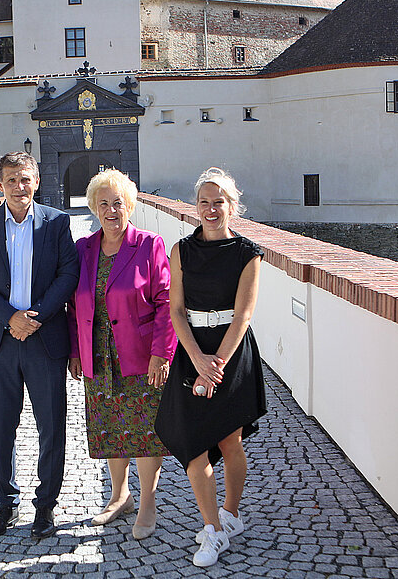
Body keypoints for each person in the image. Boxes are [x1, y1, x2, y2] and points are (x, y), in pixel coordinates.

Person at [154, 167, 267, 568]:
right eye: (204, 201)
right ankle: (212, 530)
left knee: (228, 440)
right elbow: (176, 310)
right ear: (195, 206)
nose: (210, 208)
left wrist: (215, 362)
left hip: (231, 355)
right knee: (193, 443)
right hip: (192, 352)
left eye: (218, 201)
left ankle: (231, 515)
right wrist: (198, 360)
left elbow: (243, 316)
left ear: (231, 206)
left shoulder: (248, 254)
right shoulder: (181, 250)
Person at [0, 151, 79, 539]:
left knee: (52, 426)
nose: (19, 186)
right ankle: (4, 504)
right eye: (11, 179)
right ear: (0, 184)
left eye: (26, 178)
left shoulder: (57, 222)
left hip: (44, 338)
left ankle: (45, 506)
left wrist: (36, 317)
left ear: (37, 181)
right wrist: (9, 317)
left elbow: (69, 273)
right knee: (1, 427)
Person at [66, 169, 176, 540]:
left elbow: (166, 303)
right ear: (94, 208)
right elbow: (73, 305)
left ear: (129, 206)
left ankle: (148, 503)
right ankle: (119, 496)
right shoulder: (84, 249)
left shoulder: (149, 245)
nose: (111, 210)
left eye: (118, 203)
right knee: (111, 429)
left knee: (145, 432)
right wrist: (75, 352)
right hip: (98, 357)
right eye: (104, 204)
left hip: (141, 356)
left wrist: (162, 354)